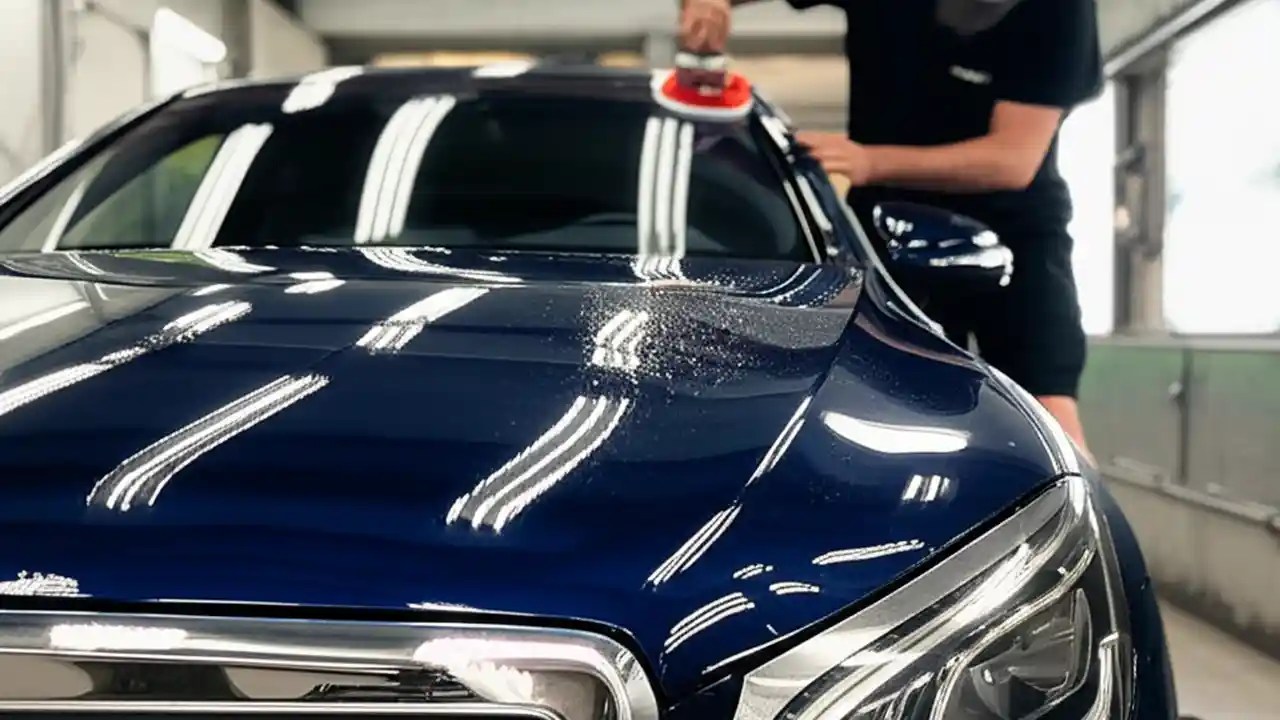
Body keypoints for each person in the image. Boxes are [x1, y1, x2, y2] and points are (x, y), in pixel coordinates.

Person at [679, 0, 1102, 454]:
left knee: (1051, 414)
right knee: (880, 399)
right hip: (883, 231)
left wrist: (869, 161)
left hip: (1014, 234)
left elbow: (1012, 160)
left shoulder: (1058, 10)